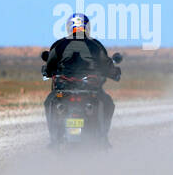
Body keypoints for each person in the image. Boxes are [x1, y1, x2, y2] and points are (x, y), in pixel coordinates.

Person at [43, 13, 121, 142]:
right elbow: (106, 65)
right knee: (108, 103)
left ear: (69, 27)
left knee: (49, 102)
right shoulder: (95, 45)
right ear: (87, 27)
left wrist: (46, 72)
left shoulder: (59, 45)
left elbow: (49, 65)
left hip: (64, 90)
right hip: (89, 89)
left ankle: (54, 138)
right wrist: (115, 73)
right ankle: (103, 138)